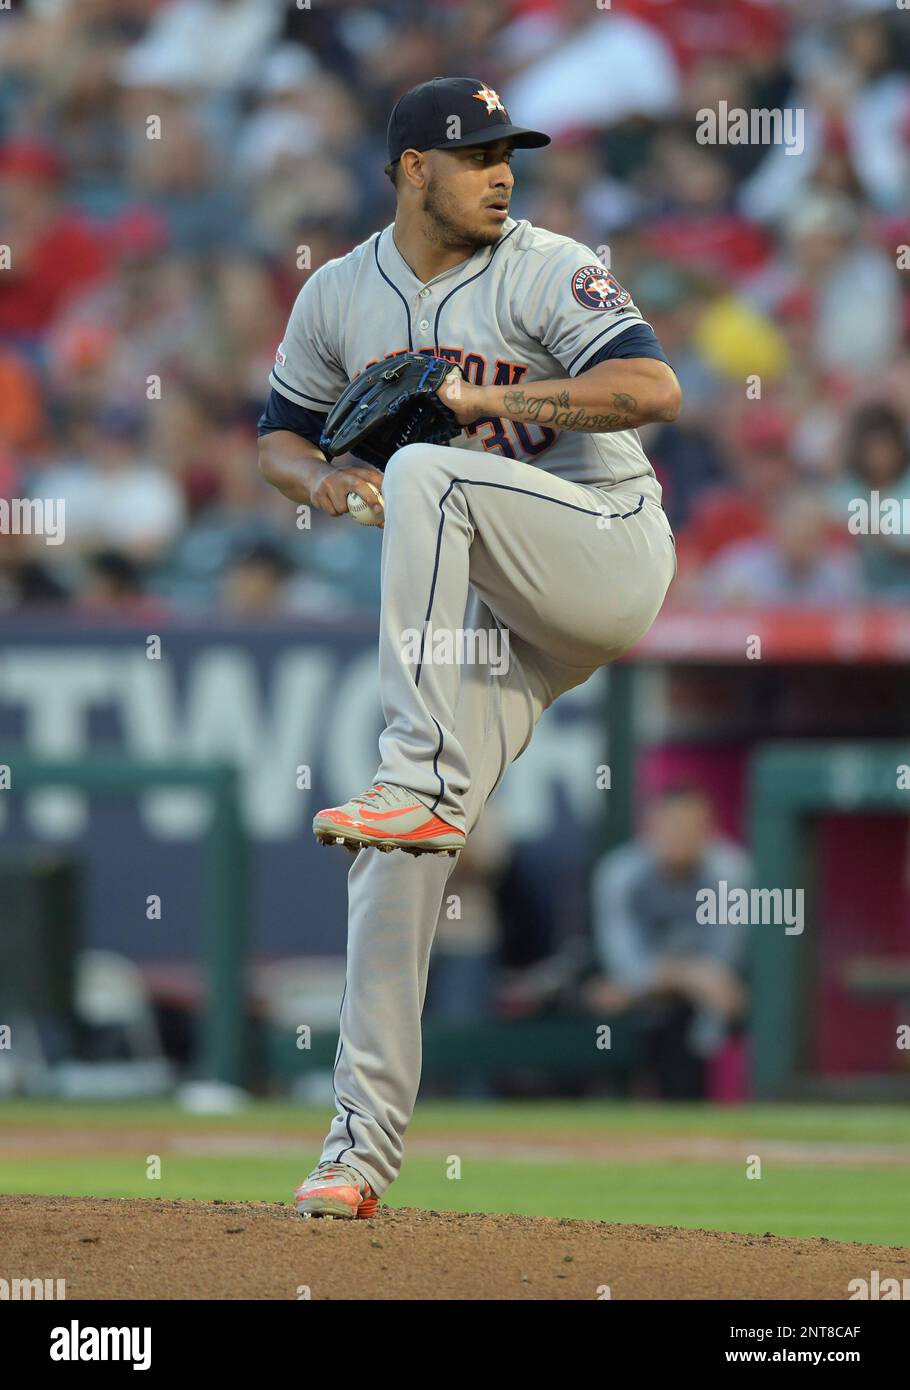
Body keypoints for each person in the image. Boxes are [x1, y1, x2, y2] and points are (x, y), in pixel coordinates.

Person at [257, 77, 680, 1218]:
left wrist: (468, 393)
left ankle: (419, 774)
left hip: (603, 547)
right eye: (477, 151)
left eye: (511, 150)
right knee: (396, 863)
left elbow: (654, 385)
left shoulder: (548, 263)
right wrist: (325, 480)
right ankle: (355, 1153)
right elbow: (281, 439)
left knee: (427, 468)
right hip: (500, 609)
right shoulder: (339, 292)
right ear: (410, 169)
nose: (502, 171)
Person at [586, 787, 750, 1099]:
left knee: (732, 999)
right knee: (605, 997)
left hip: (713, 997)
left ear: (709, 832)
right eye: (671, 828)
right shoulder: (620, 873)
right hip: (645, 994)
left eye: (690, 829)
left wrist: (680, 978)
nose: (680, 838)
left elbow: (725, 962)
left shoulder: (731, 873)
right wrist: (687, 976)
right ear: (651, 829)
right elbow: (624, 964)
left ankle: (741, 1102)